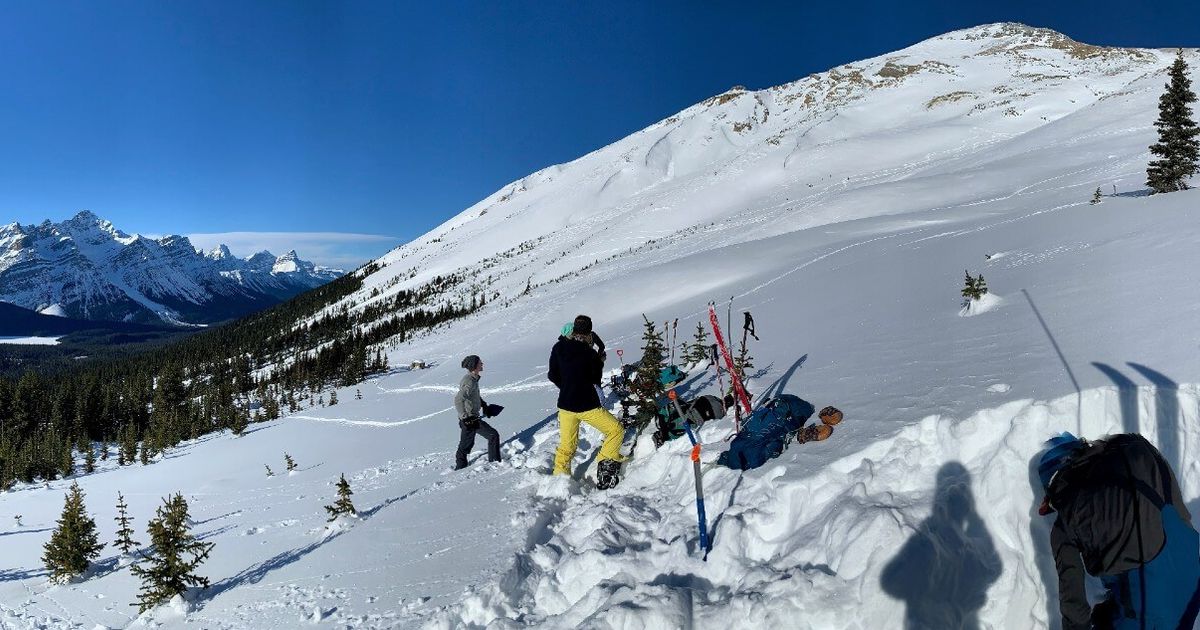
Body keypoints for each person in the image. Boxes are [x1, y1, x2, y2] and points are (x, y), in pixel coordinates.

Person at [1037, 432, 1200, 629]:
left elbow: (1074, 600)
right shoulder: (1136, 447)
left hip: (1150, 600)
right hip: (1193, 572)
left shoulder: (1066, 520)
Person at [548, 315, 625, 488]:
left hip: (566, 406)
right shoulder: (590, 354)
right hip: (587, 406)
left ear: (573, 329)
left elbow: (552, 375)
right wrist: (600, 362)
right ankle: (605, 462)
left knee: (567, 446)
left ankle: (559, 482)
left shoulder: (558, 347)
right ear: (589, 331)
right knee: (616, 430)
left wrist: (567, 386)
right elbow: (595, 379)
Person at [453, 355, 501, 470]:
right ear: (474, 366)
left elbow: (474, 396)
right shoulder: (469, 381)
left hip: (472, 418)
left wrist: (484, 406)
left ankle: (493, 462)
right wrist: (465, 418)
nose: (482, 364)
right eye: (480, 363)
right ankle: (460, 469)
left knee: (468, 444)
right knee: (468, 445)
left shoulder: (473, 379)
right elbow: (459, 399)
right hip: (470, 420)